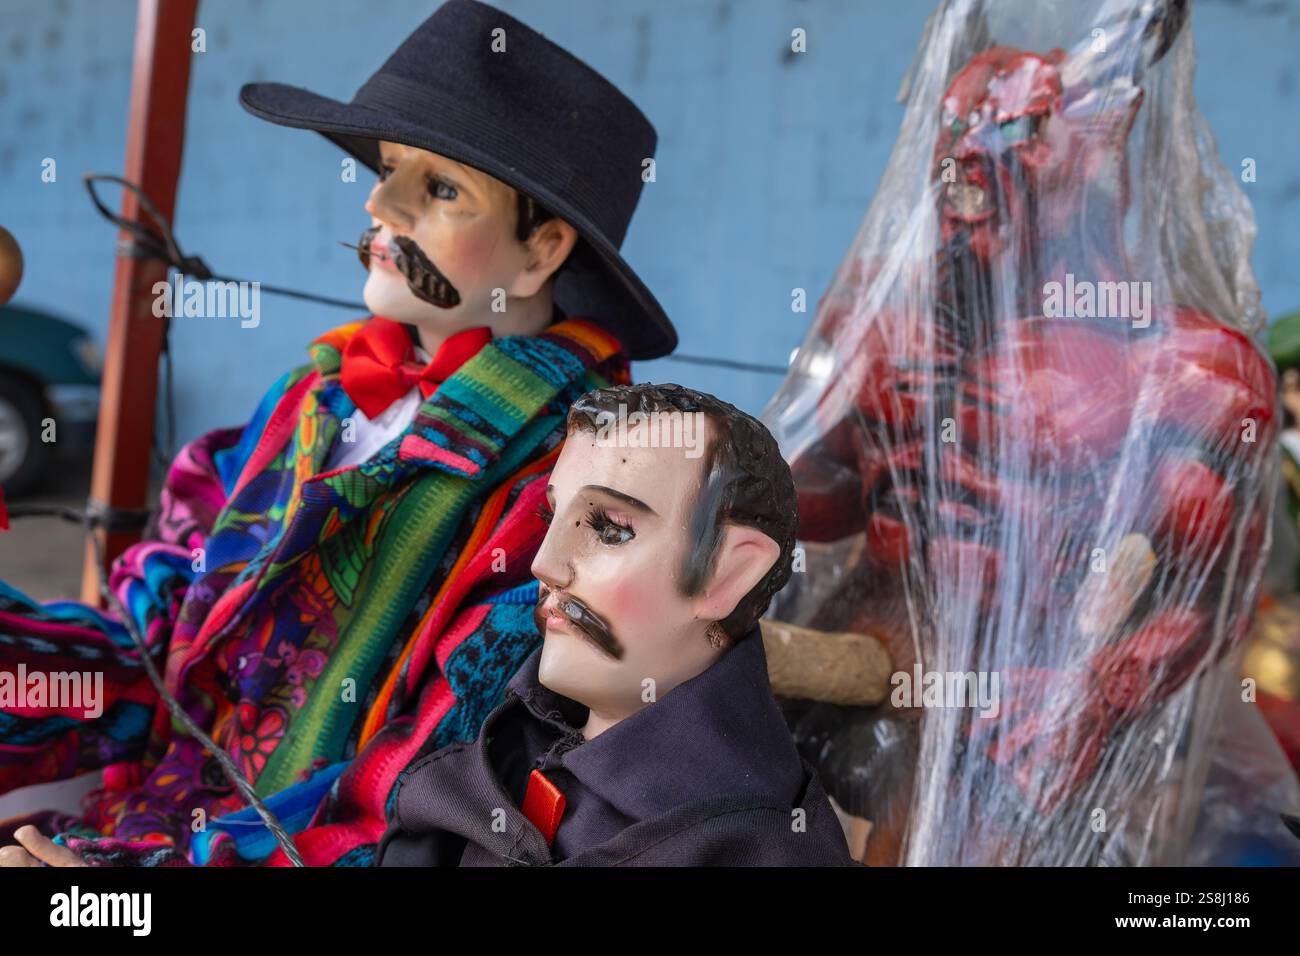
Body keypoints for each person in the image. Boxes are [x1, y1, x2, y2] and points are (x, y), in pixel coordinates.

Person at [0, 0, 674, 867]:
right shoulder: (312, 397)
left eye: (440, 189)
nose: (380, 201)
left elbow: (433, 771)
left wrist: (132, 883)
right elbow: (156, 629)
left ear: (542, 249)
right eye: (391, 168)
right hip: (148, 800)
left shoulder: (574, 480)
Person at [377, 383, 854, 866]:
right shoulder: (486, 763)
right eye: (552, 516)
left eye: (609, 529)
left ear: (726, 574)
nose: (545, 563)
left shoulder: (759, 848)